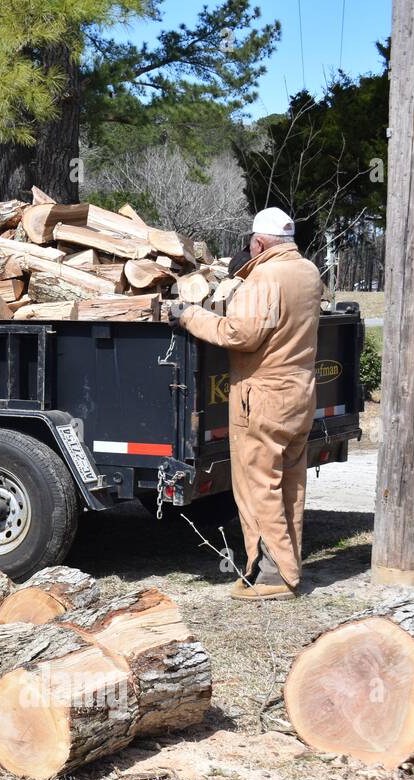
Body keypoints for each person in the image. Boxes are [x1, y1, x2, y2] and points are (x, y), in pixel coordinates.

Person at [172, 207, 322, 600]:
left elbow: (241, 334)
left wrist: (189, 315)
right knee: (290, 484)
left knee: (259, 487)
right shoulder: (307, 271)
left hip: (263, 397)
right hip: (299, 393)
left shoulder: (265, 278)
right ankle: (289, 566)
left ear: (259, 242)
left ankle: (272, 576)